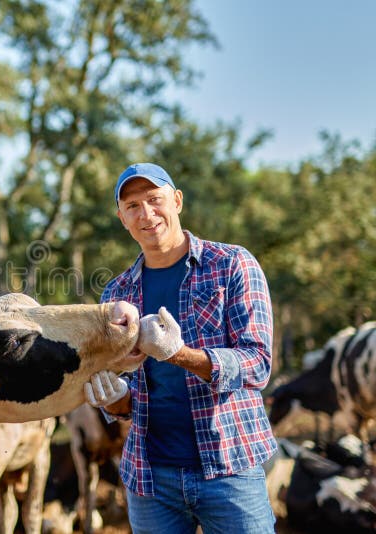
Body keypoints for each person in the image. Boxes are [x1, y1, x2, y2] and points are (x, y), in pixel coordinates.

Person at [83, 162, 277, 534]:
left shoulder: (232, 265)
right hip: (151, 480)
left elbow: (258, 363)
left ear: (177, 200)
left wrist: (178, 354)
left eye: (155, 200)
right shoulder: (116, 295)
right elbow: (125, 402)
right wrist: (114, 400)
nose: (146, 214)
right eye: (133, 206)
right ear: (122, 218)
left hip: (229, 468)